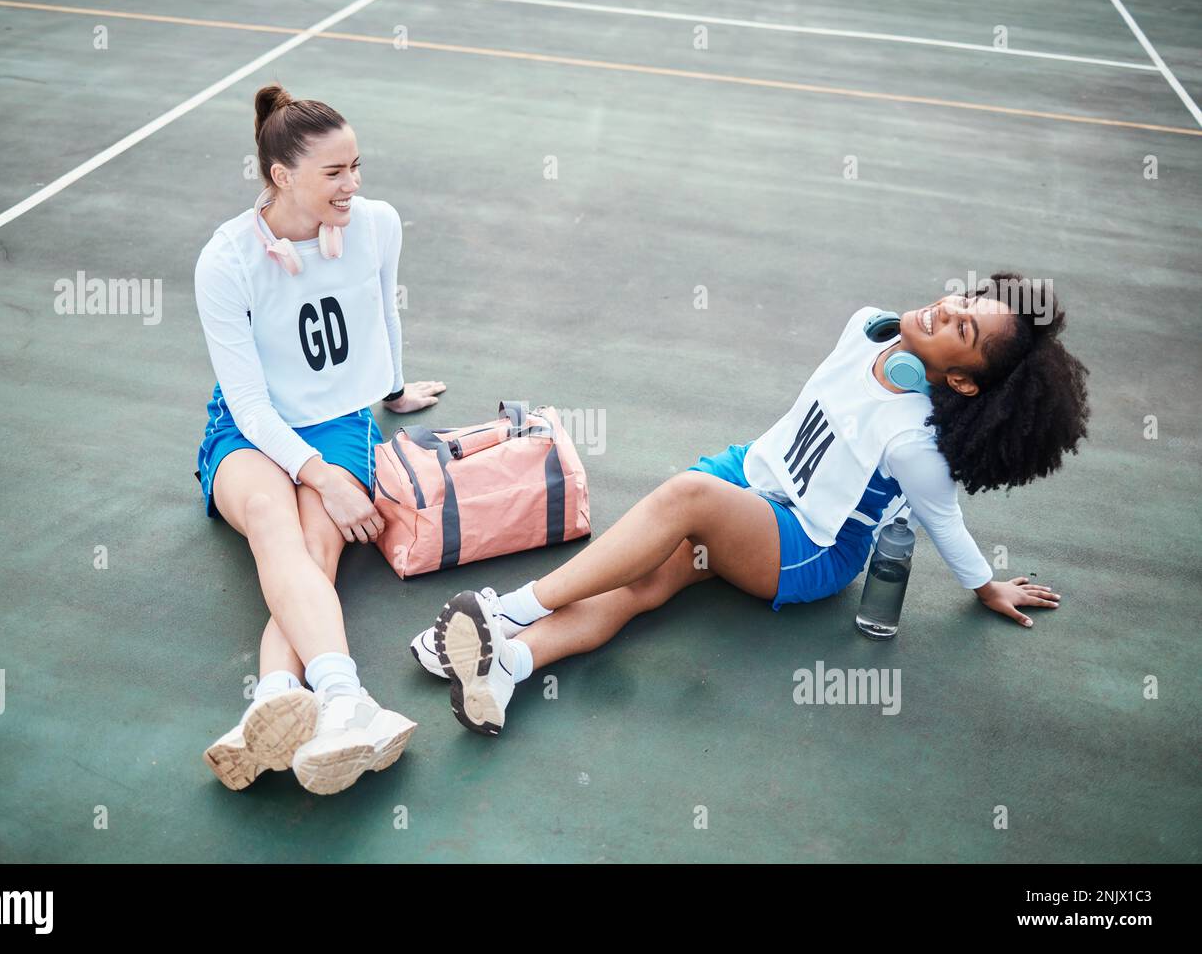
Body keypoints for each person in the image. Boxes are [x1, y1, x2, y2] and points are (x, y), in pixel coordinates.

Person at [410, 274, 1090, 737]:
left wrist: (985, 585)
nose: (947, 308)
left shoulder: (915, 440)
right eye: (963, 298)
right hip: (751, 477)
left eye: (964, 328)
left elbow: (943, 519)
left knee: (685, 496)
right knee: (642, 580)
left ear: (962, 380)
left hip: (805, 545)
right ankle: (507, 667)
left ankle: (505, 611)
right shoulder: (866, 328)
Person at [196, 83, 445, 792]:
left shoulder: (376, 224)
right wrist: (321, 474)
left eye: (357, 166)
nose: (354, 184)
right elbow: (246, 402)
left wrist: (394, 389)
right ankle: (346, 698)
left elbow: (384, 309)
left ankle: (272, 700)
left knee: (315, 549)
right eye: (335, 172)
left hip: (339, 422)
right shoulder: (225, 260)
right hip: (250, 430)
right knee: (275, 519)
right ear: (281, 175)